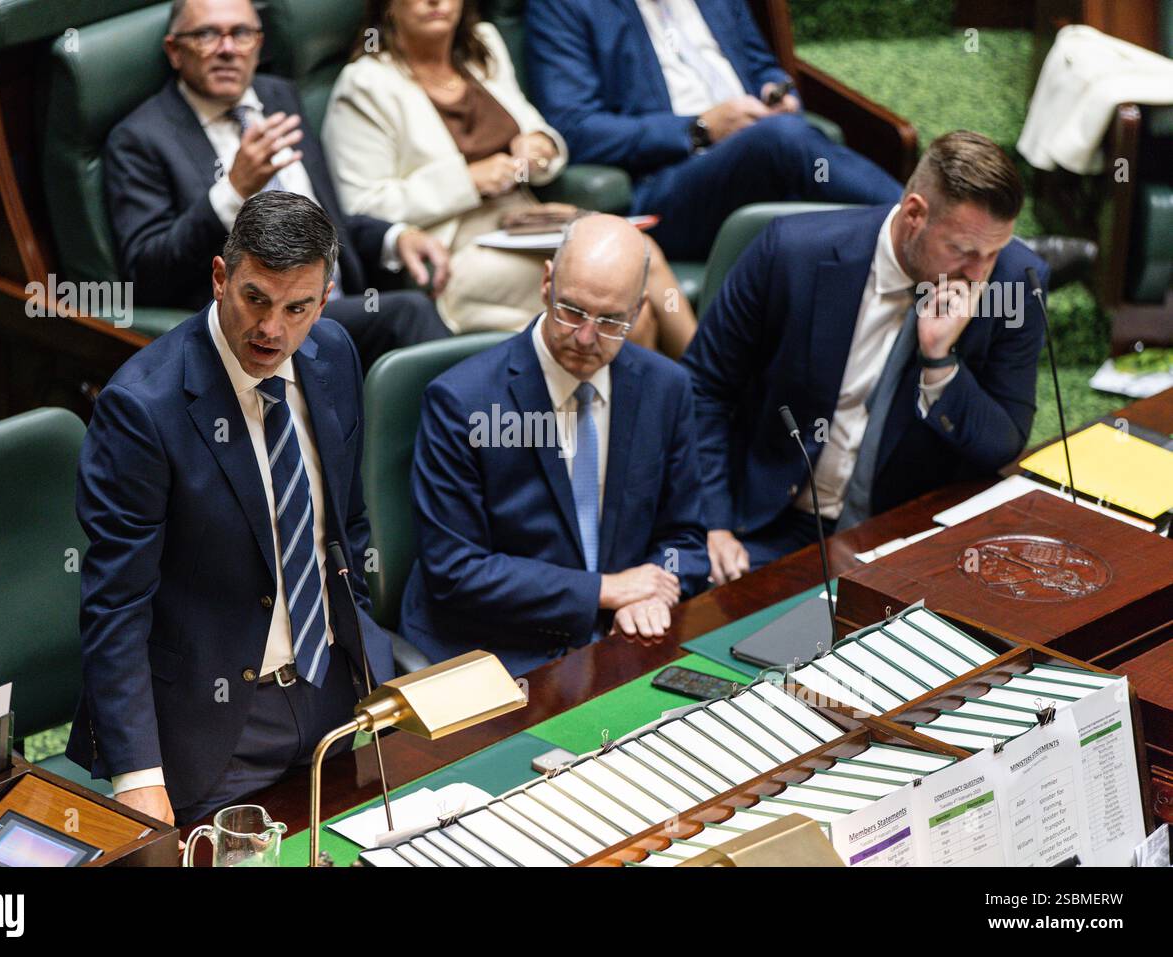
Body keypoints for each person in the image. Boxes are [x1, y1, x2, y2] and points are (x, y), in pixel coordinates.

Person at [67, 192, 395, 826]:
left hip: (332, 698)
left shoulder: (334, 357)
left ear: (324, 300)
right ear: (221, 278)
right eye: (256, 300)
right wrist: (139, 775)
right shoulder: (143, 408)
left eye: (297, 307)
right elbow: (116, 604)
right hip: (211, 734)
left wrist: (361, 645)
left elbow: (346, 525)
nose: (272, 330)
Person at [682, 131, 1049, 581]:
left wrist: (940, 364)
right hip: (768, 524)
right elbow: (702, 388)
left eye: (994, 252)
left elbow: (1003, 443)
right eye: (962, 250)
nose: (978, 273)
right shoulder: (791, 253)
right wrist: (715, 522)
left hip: (905, 534)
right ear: (915, 214)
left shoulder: (1013, 284)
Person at [402, 214, 709, 676]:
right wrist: (605, 590)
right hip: (495, 649)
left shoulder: (666, 388)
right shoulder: (462, 401)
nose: (586, 338)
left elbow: (683, 539)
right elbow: (456, 570)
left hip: (621, 636)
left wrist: (651, 592)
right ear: (546, 283)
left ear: (639, 309)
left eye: (610, 321)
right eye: (571, 311)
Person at [324, 0, 697, 356]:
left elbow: (538, 130)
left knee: (637, 300)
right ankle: (706, 396)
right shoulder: (365, 84)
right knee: (633, 264)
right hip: (454, 254)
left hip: (524, 225)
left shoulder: (482, 47)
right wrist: (468, 181)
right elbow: (362, 207)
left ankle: (675, 410)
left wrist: (539, 146)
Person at [104, 0, 451, 370]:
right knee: (408, 314)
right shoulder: (140, 139)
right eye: (206, 35)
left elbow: (325, 219)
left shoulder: (278, 97)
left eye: (241, 34)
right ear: (174, 51)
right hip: (257, 323)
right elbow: (147, 274)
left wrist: (395, 237)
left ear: (259, 43)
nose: (227, 49)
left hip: (332, 300)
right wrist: (232, 191)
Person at [525, 0, 903, 261]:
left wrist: (776, 91)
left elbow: (762, 66)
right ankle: (916, 221)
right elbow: (577, 128)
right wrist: (700, 129)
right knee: (781, 140)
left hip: (764, 150)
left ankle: (916, 240)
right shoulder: (563, 5)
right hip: (670, 183)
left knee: (788, 147)